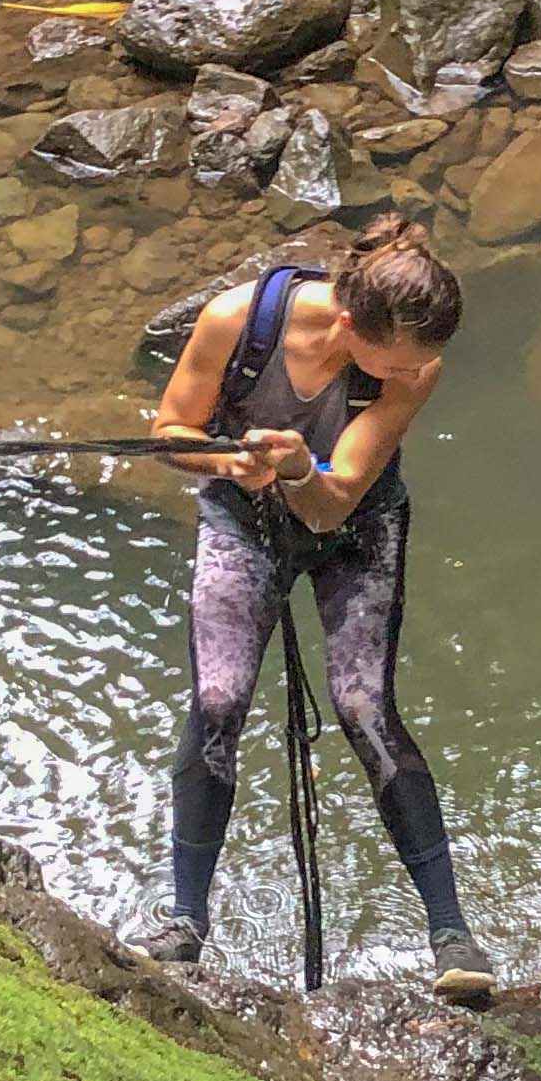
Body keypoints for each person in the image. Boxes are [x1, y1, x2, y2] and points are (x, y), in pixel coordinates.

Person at [137, 213, 490, 1002]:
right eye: (399, 360)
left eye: (424, 361)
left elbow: (332, 506)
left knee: (364, 706)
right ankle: (183, 920)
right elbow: (170, 431)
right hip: (241, 516)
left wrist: (297, 469)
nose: (416, 373)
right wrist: (229, 458)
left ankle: (452, 935)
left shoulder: (414, 372)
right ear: (345, 322)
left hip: (352, 527)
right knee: (220, 696)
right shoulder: (239, 319)